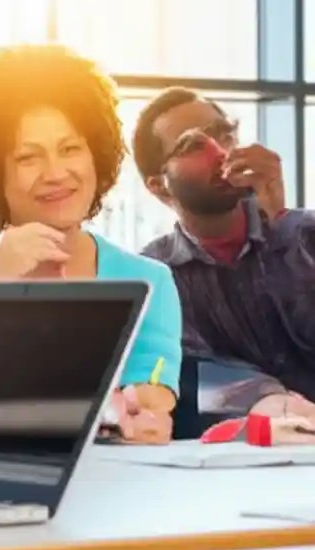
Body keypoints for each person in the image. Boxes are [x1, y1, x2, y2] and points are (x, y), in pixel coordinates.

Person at [0, 44, 183, 444]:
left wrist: (142, 417)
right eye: (28, 158)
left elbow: (149, 395)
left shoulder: (150, 280)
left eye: (70, 149)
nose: (55, 173)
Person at [131, 87, 315, 418]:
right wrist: (274, 401)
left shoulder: (304, 233)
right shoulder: (156, 275)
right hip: (249, 444)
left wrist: (279, 224)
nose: (220, 152)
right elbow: (195, 379)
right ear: (158, 185)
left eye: (223, 134)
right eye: (191, 145)